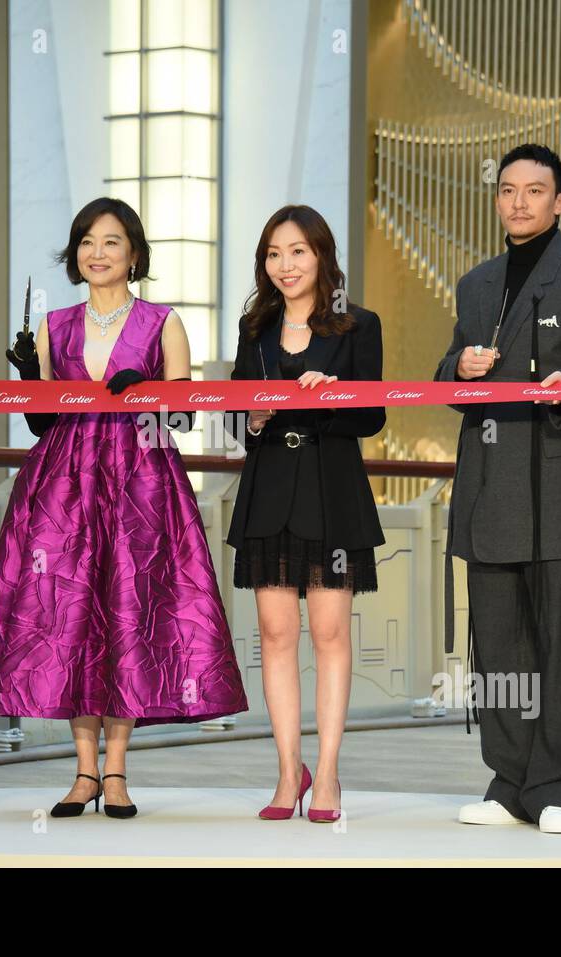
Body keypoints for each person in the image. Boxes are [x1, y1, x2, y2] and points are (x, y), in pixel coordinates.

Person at [0, 197, 247, 819]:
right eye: (86, 242)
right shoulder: (56, 325)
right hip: (63, 482)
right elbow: (42, 420)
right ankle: (82, 773)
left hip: (141, 479)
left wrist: (151, 394)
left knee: (129, 613)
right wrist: (27, 376)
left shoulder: (162, 322)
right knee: (71, 616)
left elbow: (184, 415)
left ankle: (119, 771)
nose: (97, 253)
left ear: (134, 254)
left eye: (111, 242)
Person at [433, 144, 561, 833]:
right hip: (491, 487)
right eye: (508, 189)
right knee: (499, 643)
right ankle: (510, 781)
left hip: (558, 486)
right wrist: (458, 365)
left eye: (535, 190)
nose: (519, 202)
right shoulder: (477, 284)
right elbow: (443, 376)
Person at [224, 205, 385, 822]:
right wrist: (253, 418)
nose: (285, 265)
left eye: (297, 251)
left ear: (321, 255)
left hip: (331, 486)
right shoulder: (254, 327)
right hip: (269, 487)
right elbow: (238, 409)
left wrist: (334, 396)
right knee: (274, 635)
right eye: (273, 253)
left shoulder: (356, 325)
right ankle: (289, 773)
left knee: (330, 634)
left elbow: (373, 415)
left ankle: (331, 776)